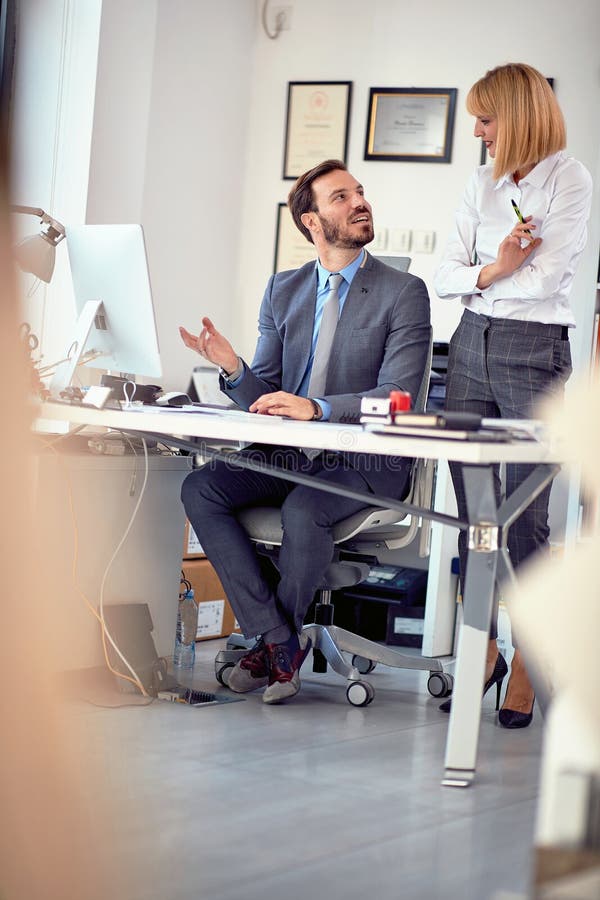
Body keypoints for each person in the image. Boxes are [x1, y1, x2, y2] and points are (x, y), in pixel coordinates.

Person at [180, 158, 431, 704]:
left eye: (359, 192)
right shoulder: (283, 289)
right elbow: (266, 400)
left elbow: (399, 397)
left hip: (367, 462)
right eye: (341, 197)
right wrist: (233, 369)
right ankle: (279, 640)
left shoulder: (403, 291)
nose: (359, 202)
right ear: (313, 222)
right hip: (293, 455)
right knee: (200, 487)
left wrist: (316, 408)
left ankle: (272, 646)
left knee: (302, 511)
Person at [434, 63, 593, 728]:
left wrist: (486, 277)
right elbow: (445, 277)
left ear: (521, 117)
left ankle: (531, 659)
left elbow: (550, 278)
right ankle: (485, 653)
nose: (477, 131)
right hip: (470, 345)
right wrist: (497, 268)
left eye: (487, 118)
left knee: (525, 522)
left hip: (534, 353)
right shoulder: (480, 181)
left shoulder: (570, 179)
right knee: (475, 515)